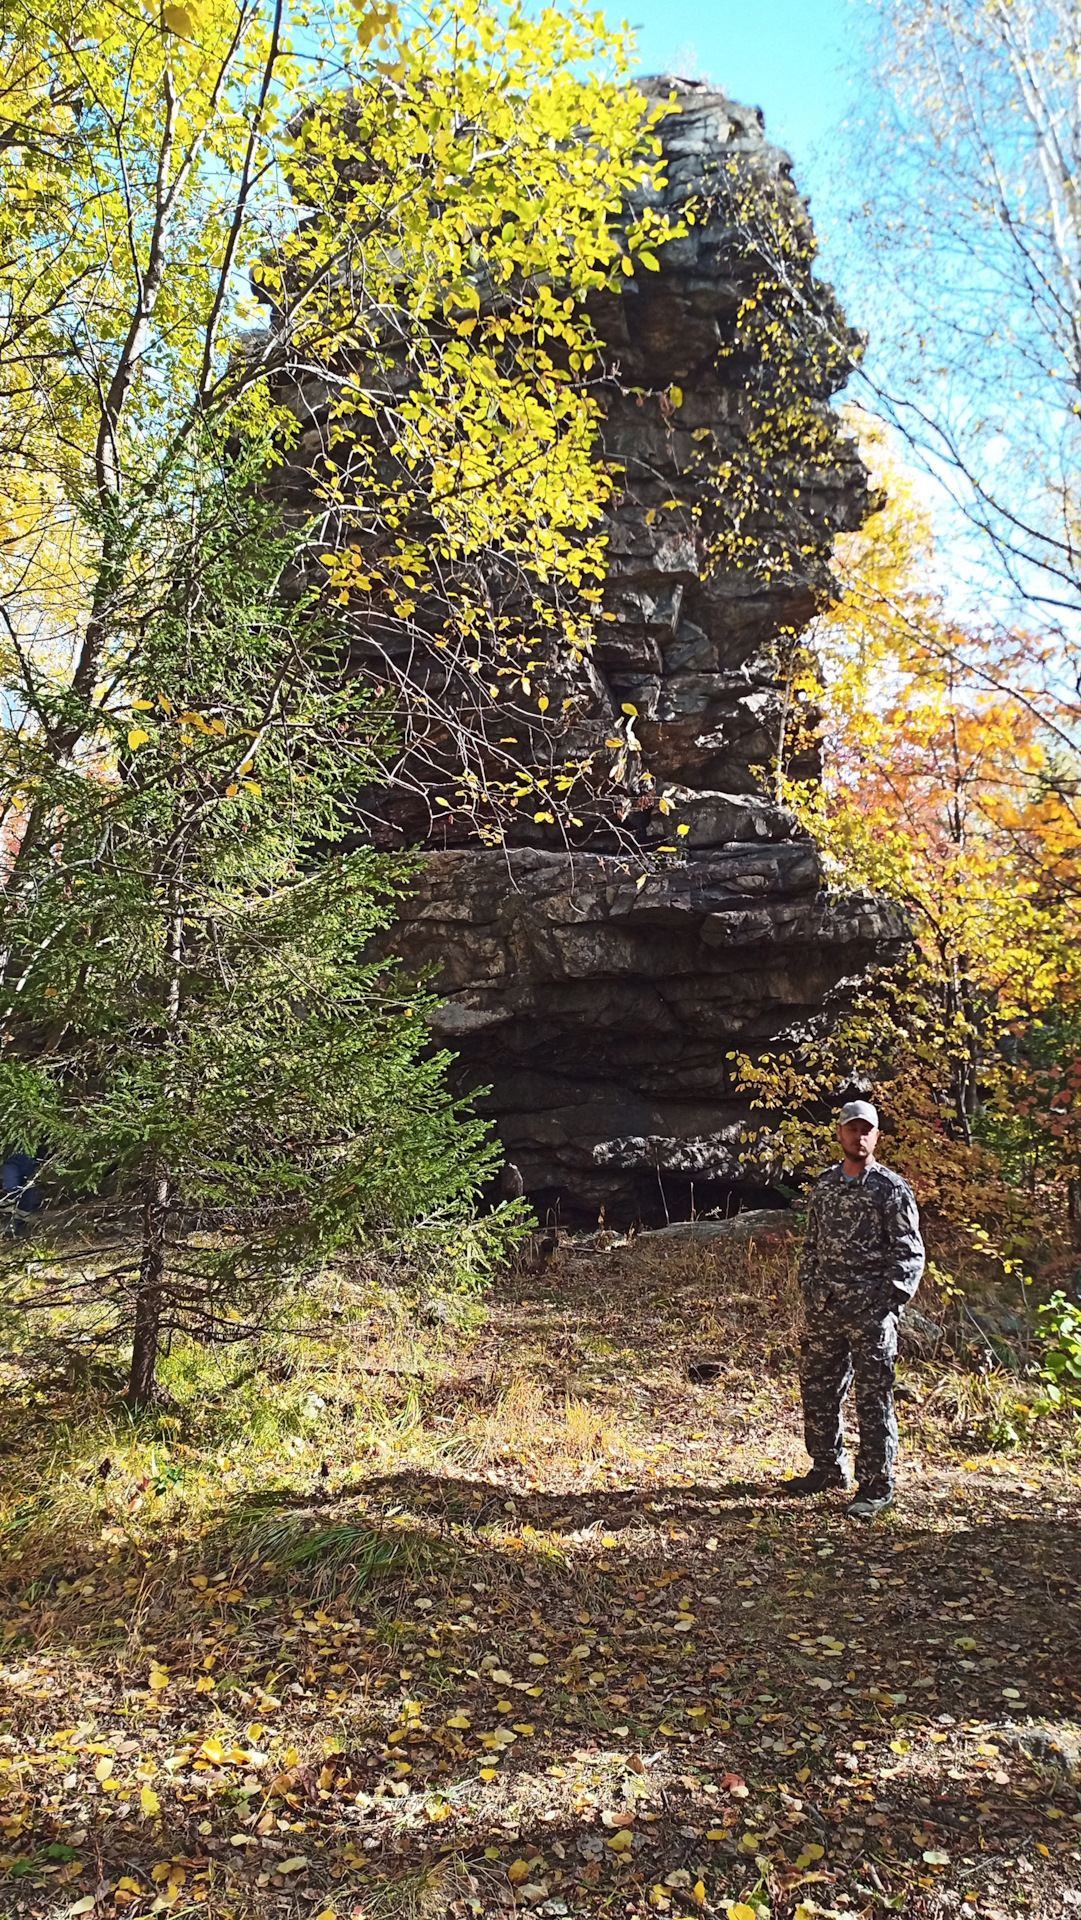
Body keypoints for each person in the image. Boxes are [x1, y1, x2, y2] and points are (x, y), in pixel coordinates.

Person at [786, 1099, 925, 1520]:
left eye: (867, 1129)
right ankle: (827, 1469)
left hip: (870, 1315)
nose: (859, 1135)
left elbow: (909, 1256)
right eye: (852, 1128)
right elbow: (811, 1248)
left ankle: (877, 1485)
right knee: (818, 1390)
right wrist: (811, 1290)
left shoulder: (891, 1189)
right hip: (827, 1311)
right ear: (840, 1133)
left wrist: (884, 1306)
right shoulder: (825, 1186)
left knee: (873, 1399)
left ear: (877, 1136)